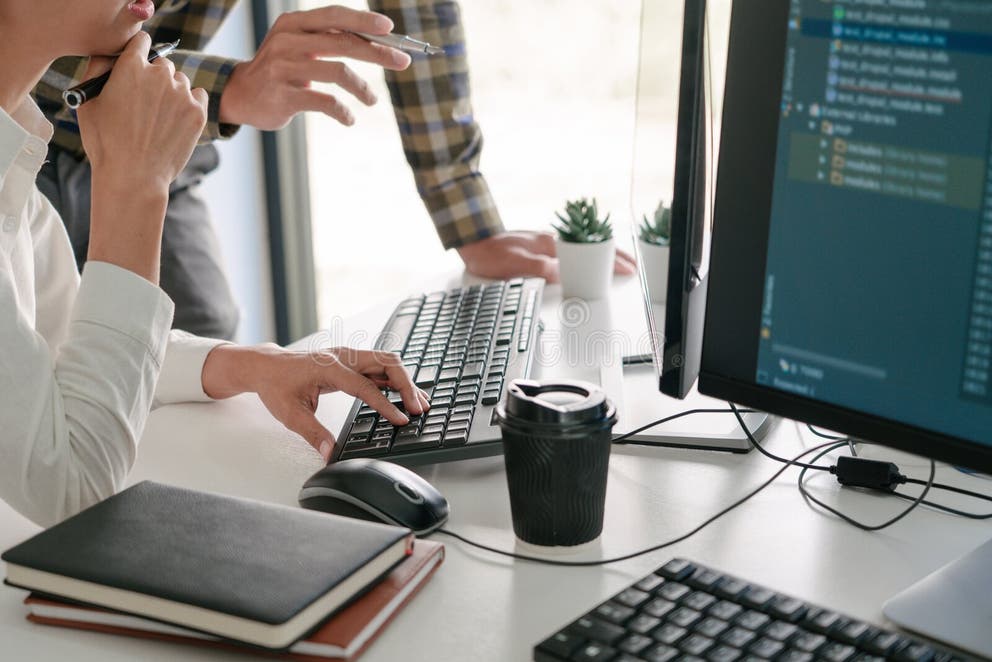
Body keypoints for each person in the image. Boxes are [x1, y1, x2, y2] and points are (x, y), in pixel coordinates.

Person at [0, 1, 427, 528]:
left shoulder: (16, 171)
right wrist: (136, 184)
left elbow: (61, 349)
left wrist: (254, 365)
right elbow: (74, 488)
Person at [34, 0, 637, 340]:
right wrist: (232, 89)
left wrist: (469, 217)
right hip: (21, 126)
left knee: (197, 342)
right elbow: (25, 31)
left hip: (158, 130)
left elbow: (417, 13)